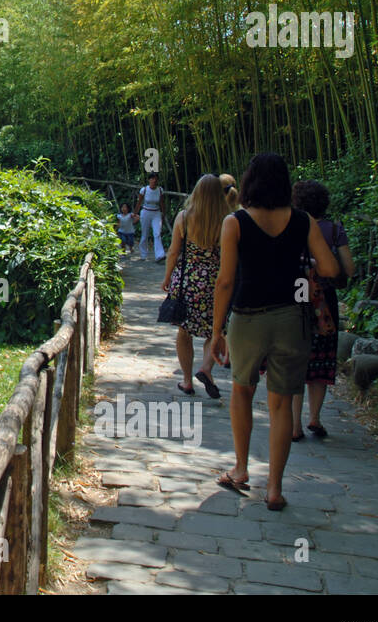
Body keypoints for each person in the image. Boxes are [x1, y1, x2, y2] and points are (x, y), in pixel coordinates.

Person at [210, 153, 340, 511]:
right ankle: (275, 489)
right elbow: (330, 267)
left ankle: (240, 469)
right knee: (281, 402)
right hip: (291, 319)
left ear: (250, 182)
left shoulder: (234, 223)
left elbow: (224, 282)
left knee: (242, 390)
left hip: (248, 317)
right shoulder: (303, 221)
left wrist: (217, 330)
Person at [290, 180, 356, 440]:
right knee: (322, 357)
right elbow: (349, 269)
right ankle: (314, 418)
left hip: (295, 294)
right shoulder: (335, 229)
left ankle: (294, 426)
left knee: (295, 359)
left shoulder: (290, 225)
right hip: (325, 300)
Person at [162, 174, 226, 398]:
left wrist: (167, 277)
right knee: (216, 330)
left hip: (187, 281)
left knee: (184, 330)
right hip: (215, 282)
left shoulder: (184, 217)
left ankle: (187, 380)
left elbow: (173, 252)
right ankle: (206, 368)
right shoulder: (227, 220)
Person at [133, 172, 165, 263]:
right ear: (149, 180)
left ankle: (160, 255)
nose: (154, 181)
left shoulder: (160, 190)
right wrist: (135, 213)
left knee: (157, 233)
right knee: (145, 234)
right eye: (152, 179)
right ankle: (143, 254)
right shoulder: (144, 190)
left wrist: (163, 214)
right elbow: (139, 202)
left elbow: (162, 203)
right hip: (146, 212)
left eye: (155, 179)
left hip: (156, 213)